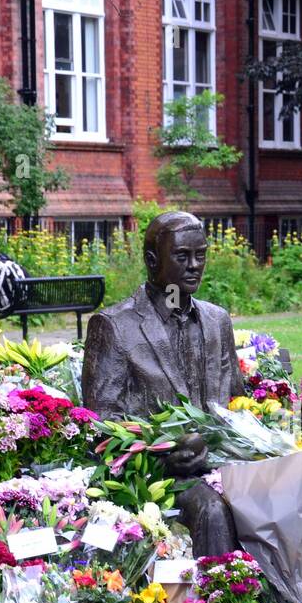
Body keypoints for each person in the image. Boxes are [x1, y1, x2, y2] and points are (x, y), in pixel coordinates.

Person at [80, 211, 244, 555]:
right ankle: (225, 600)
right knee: (213, 509)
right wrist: (165, 449)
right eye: (182, 256)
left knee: (293, 490)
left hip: (225, 461)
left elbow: (238, 405)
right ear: (152, 260)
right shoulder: (114, 325)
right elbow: (100, 422)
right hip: (159, 474)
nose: (194, 265)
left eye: (201, 255)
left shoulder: (217, 321)